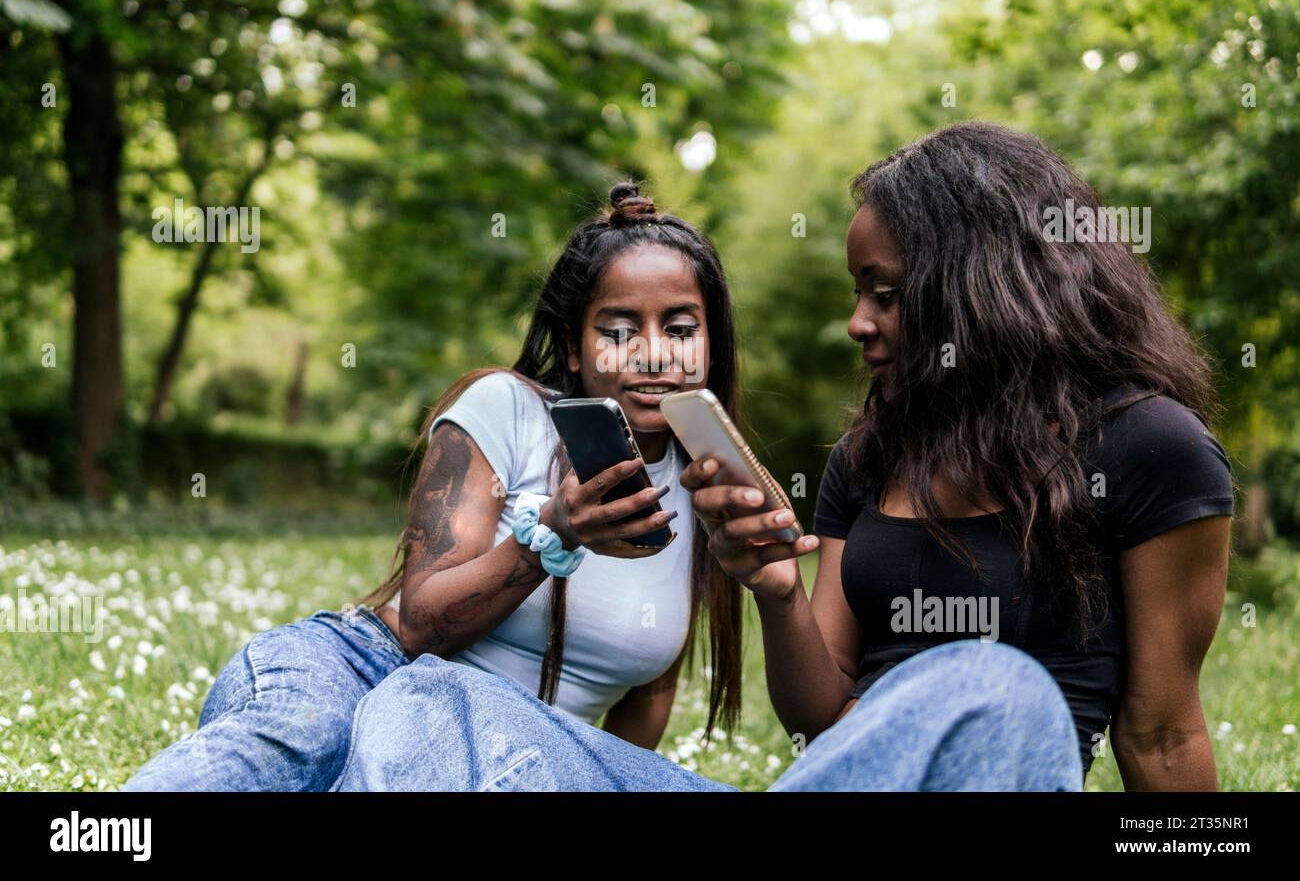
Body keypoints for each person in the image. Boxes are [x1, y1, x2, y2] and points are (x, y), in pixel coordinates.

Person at [332, 123, 1217, 791]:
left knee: (996, 686)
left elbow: (1163, 735)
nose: (857, 322)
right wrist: (774, 590)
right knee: (437, 702)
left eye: (886, 294)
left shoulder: (1150, 448)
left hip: (991, 756)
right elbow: (823, 717)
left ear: (983, 292)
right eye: (855, 291)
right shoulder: (872, 458)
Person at [123, 181, 749, 790]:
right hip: (366, 671)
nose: (652, 352)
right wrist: (552, 535)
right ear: (575, 348)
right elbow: (422, 625)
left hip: (502, 757)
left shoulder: (710, 487)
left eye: (680, 328)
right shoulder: (506, 407)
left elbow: (645, 698)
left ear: (710, 346)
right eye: (616, 330)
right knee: (297, 739)